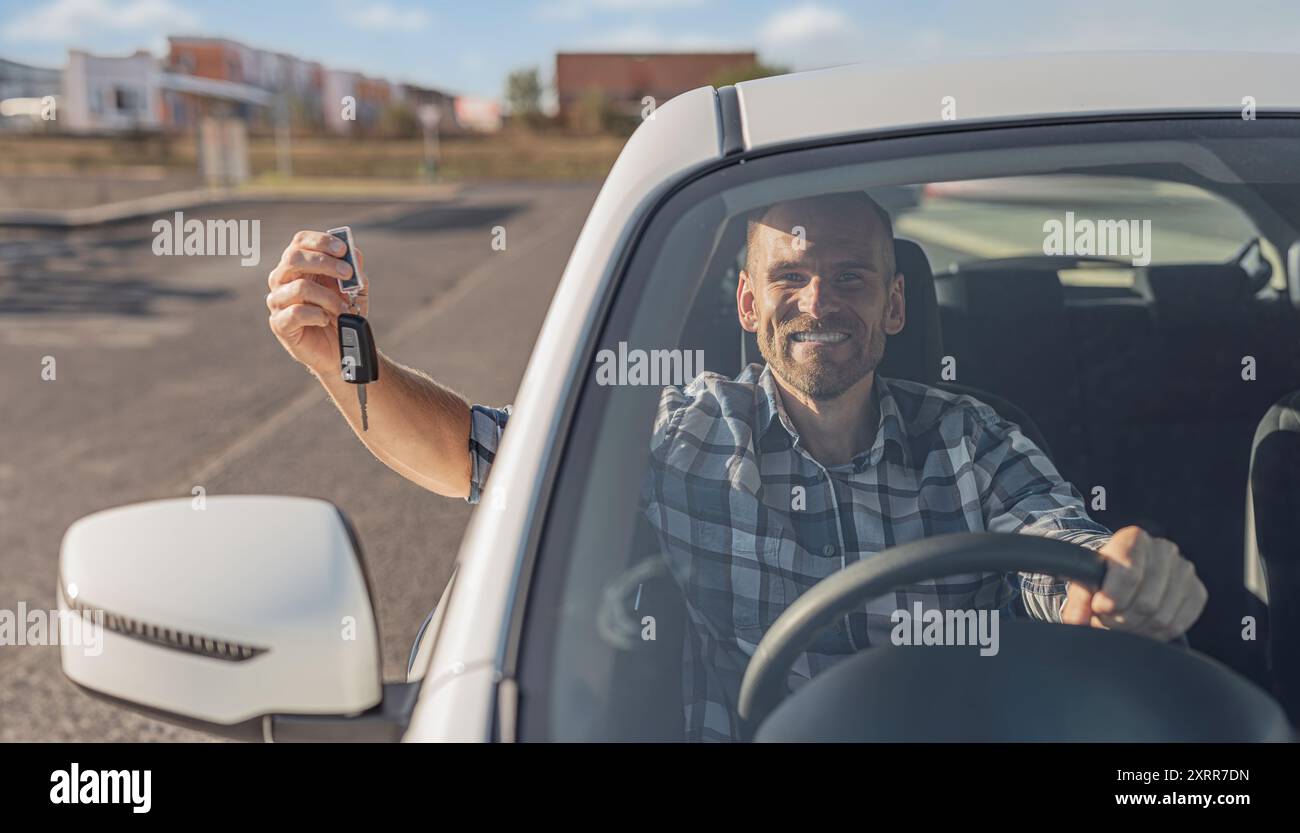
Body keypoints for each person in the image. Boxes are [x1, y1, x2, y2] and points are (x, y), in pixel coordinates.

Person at [266, 191, 1208, 741]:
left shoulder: (971, 437)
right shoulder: (681, 430)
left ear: (893, 306)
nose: (818, 299)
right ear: (750, 305)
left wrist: (1118, 586)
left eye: (849, 277)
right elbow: (476, 454)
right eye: (790, 278)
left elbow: (1060, 548)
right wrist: (345, 360)